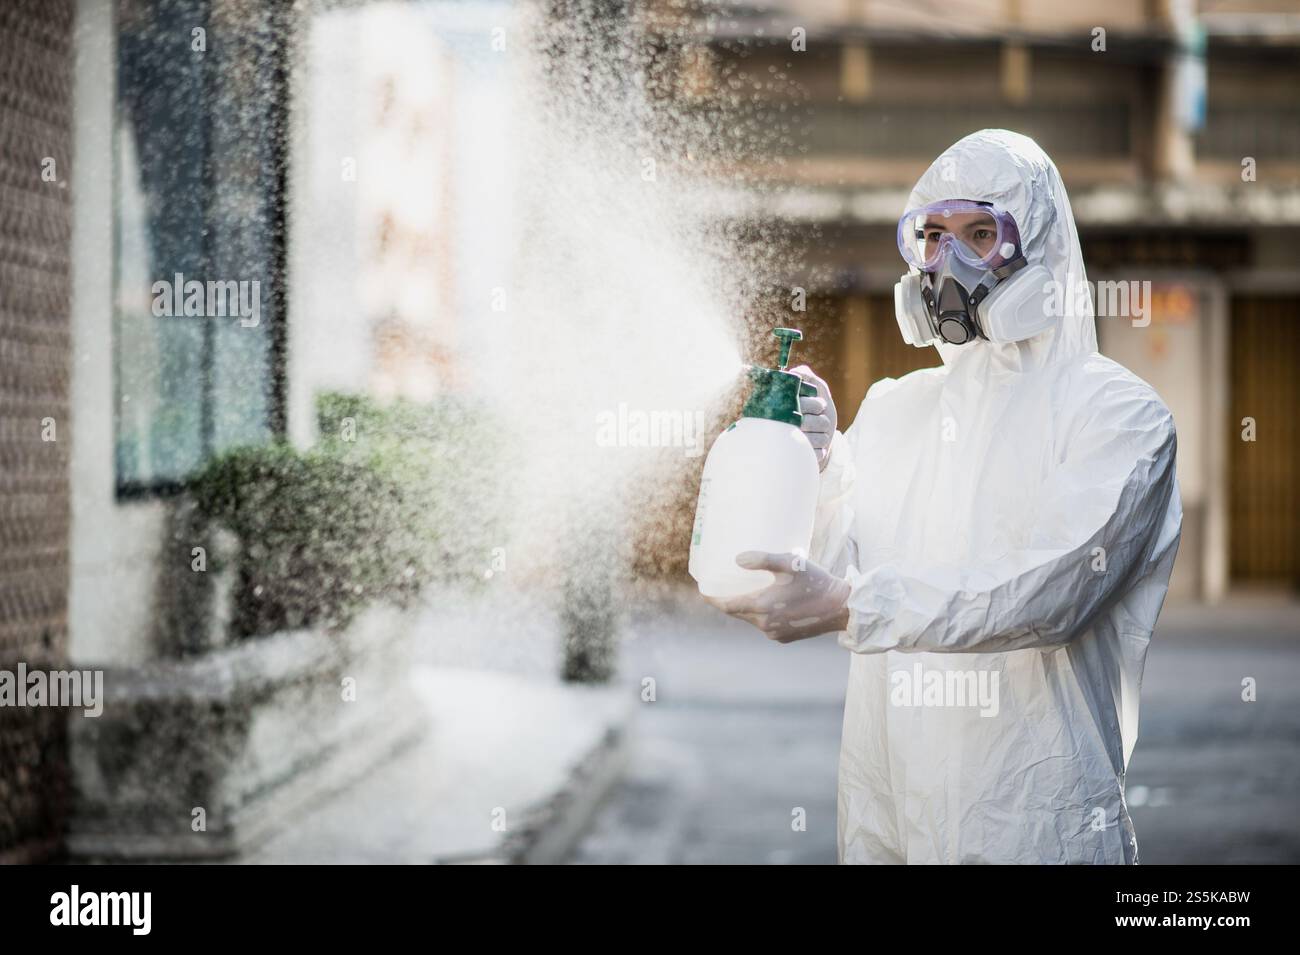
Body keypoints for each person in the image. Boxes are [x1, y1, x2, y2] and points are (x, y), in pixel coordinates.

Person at [705, 129, 1182, 864]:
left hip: (1039, 829)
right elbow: (829, 569)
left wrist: (851, 605)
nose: (948, 262)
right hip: (890, 818)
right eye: (932, 235)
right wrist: (817, 463)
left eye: (981, 234)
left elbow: (1050, 591)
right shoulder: (898, 407)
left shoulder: (1118, 416)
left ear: (1041, 249)